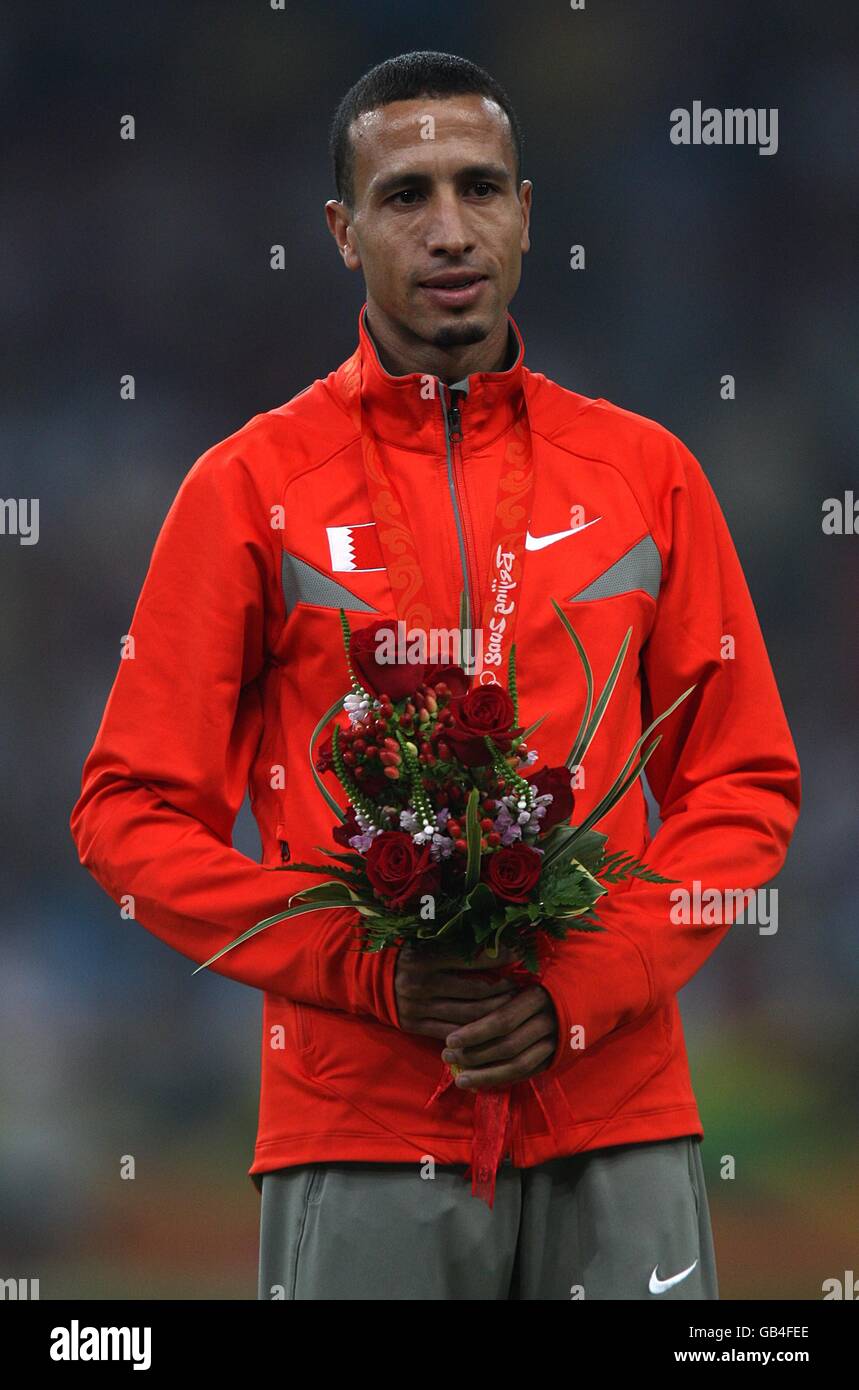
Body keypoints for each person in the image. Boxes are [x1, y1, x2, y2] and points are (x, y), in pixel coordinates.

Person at [69, 50, 801, 1300]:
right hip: (357, 1125)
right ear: (342, 232)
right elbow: (127, 813)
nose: (449, 228)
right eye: (406, 195)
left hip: (617, 1110)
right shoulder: (246, 489)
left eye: (481, 186)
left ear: (528, 214)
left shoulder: (648, 475)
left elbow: (743, 781)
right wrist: (359, 968)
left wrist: (592, 984)